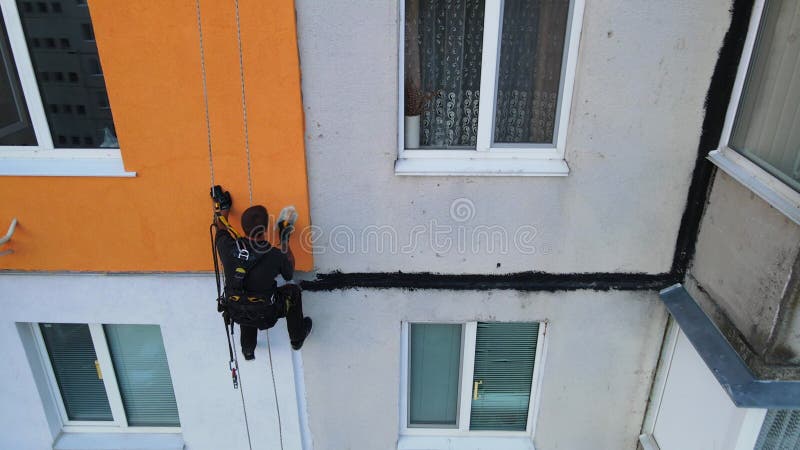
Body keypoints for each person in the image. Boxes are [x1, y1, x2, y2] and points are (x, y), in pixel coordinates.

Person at [213, 193, 312, 360]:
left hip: (237, 311)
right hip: (267, 314)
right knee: (293, 292)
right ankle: (297, 338)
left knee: (244, 299)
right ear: (265, 230)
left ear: (242, 228)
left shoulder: (226, 246)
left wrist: (224, 208)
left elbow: (220, 227)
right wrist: (284, 240)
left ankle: (248, 350)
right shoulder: (274, 255)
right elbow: (288, 274)